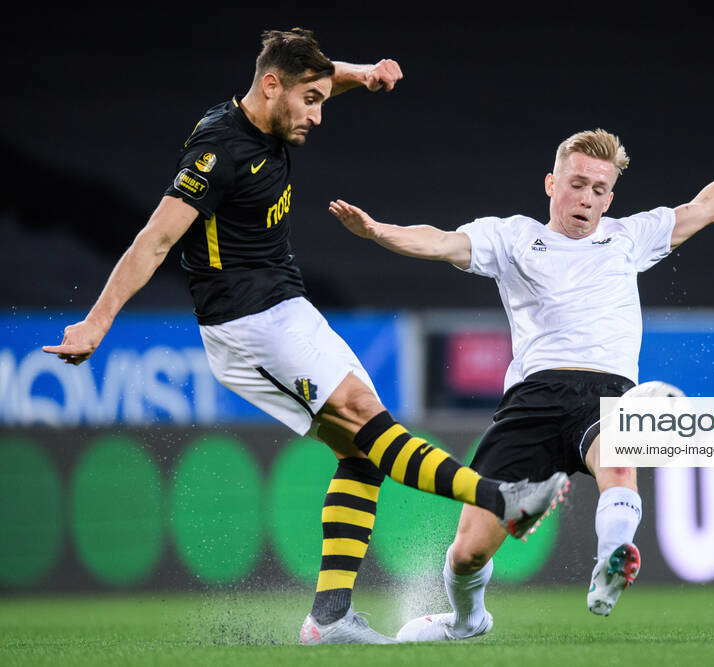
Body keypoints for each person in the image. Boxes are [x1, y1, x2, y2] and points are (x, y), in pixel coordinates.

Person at [42, 28, 569, 646]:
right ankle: (501, 499)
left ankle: (330, 618)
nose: (319, 114)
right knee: (364, 415)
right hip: (245, 323)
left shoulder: (274, 108)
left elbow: (316, 74)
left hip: (284, 306)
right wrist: (97, 323)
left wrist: (365, 73)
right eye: (311, 100)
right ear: (272, 87)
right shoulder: (217, 150)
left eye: (323, 97)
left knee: (362, 451)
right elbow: (155, 240)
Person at [328, 102, 714, 640]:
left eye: (600, 189)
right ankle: (468, 621)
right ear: (551, 183)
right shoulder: (512, 237)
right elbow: (442, 241)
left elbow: (707, 206)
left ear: (611, 197)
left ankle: (612, 558)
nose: (587, 198)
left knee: (617, 458)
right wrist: (379, 233)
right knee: (469, 552)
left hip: (607, 391)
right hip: (531, 403)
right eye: (578, 183)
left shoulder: (630, 237)